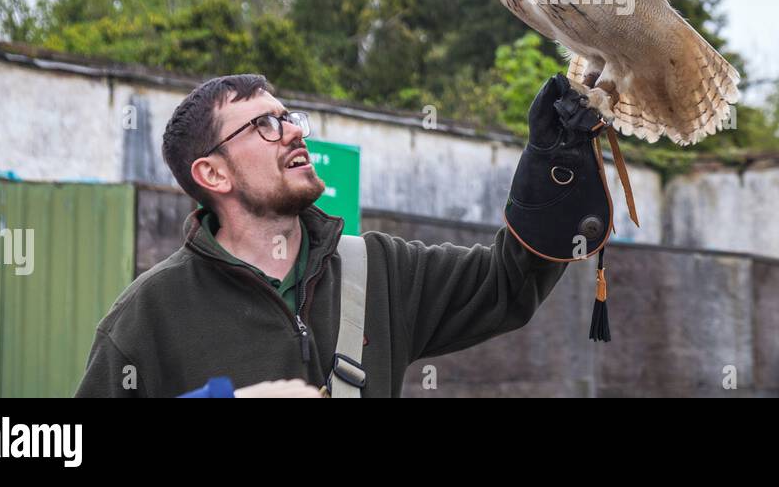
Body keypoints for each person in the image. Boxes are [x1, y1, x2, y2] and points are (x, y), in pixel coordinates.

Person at [75, 74, 570, 398]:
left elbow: (508, 284)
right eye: (264, 124)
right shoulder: (149, 314)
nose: (293, 131)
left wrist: (555, 163)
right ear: (214, 174)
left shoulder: (380, 270)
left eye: (289, 118)